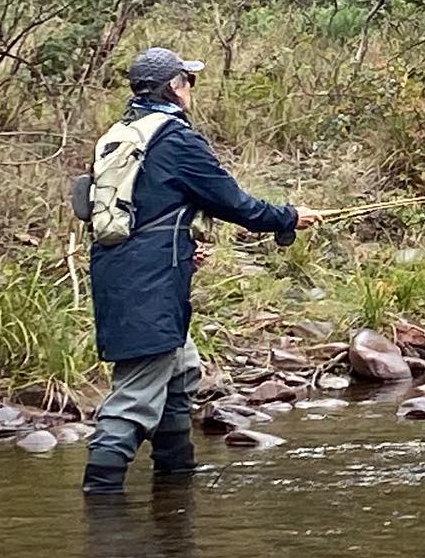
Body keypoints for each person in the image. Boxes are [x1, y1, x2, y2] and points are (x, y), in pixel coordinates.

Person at [83, 47, 321, 495]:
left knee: (181, 370)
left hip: (126, 273)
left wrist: (178, 246)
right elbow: (232, 202)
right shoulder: (174, 139)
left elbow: (138, 210)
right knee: (135, 394)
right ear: (174, 87)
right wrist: (287, 217)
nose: (191, 88)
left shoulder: (119, 134)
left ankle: (175, 478)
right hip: (148, 282)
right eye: (187, 80)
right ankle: (100, 499)